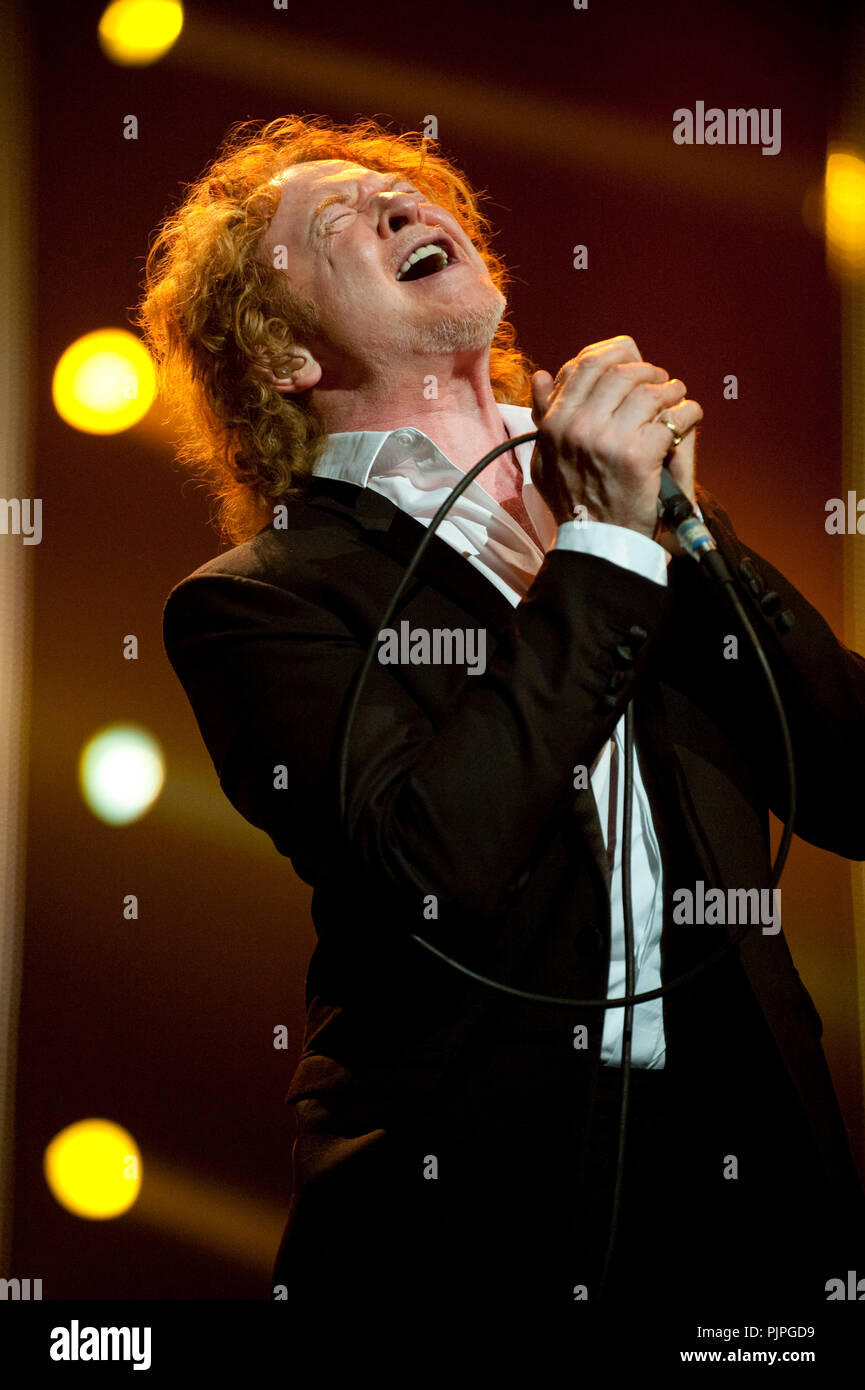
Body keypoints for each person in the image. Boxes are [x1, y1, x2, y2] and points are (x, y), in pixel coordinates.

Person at [141, 115, 865, 1318]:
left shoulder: (630, 511)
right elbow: (436, 862)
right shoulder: (260, 601)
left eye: (408, 197)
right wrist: (601, 551)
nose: (403, 211)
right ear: (281, 355)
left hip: (750, 1198)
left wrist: (691, 536)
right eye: (341, 223)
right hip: (473, 1221)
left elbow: (853, 781)